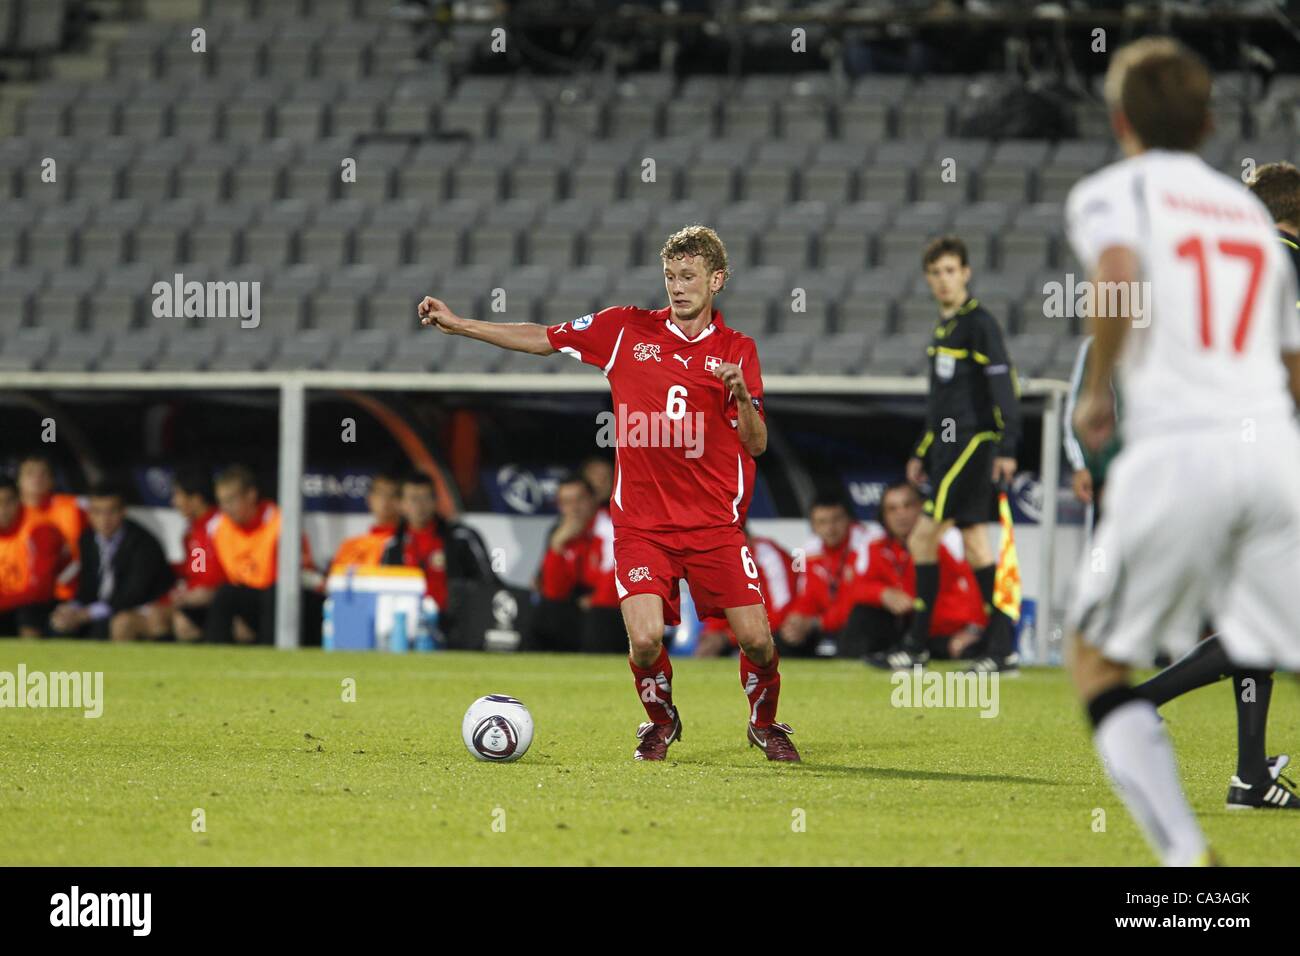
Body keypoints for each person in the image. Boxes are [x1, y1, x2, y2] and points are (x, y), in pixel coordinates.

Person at [418, 224, 799, 761]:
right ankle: (661, 723)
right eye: (670, 276)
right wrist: (461, 326)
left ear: (716, 280)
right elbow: (544, 337)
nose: (677, 287)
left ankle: (765, 724)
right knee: (644, 640)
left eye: (689, 276)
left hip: (715, 525)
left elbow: (755, 446)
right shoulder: (625, 330)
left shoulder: (738, 351)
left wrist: (739, 396)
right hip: (643, 525)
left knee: (758, 639)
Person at [1066, 38, 1300, 864]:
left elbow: (1119, 269)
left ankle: (1184, 855)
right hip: (1272, 453)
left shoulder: (1113, 191)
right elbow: (1291, 363)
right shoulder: (1246, 221)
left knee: (1095, 660)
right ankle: (1248, 773)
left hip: (1181, 449)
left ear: (1120, 118)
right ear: (1209, 123)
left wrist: (1098, 386)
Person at [903, 236, 1022, 674]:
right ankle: (1002, 647)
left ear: (966, 273)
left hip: (972, 445)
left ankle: (915, 645)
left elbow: (1004, 386)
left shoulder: (979, 324)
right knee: (975, 544)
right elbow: (941, 403)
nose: (943, 280)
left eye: (951, 270)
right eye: (935, 273)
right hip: (947, 448)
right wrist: (922, 448)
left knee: (922, 538)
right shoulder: (944, 327)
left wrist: (1008, 445)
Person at [862, 481, 987, 666]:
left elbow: (981, 583)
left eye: (908, 506)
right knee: (865, 615)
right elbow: (857, 587)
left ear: (923, 507)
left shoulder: (949, 538)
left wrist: (975, 629)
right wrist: (883, 594)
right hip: (917, 630)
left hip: (955, 631)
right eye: (892, 509)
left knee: (964, 651)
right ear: (883, 515)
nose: (901, 515)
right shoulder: (877, 545)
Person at [205, 465, 319, 645]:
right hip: (250, 596)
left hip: (287, 599)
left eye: (231, 500)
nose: (226, 508)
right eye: (222, 502)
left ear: (251, 495)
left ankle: (271, 654)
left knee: (274, 594)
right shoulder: (218, 527)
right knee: (224, 594)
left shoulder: (281, 522)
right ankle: (213, 654)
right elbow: (213, 571)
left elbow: (303, 571)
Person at [49, 482, 174, 641]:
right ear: (89, 514)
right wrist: (73, 608)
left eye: (111, 512)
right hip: (102, 608)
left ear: (123, 511)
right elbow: (88, 585)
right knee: (59, 623)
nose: (104, 519)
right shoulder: (87, 539)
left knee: (114, 625)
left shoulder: (143, 543)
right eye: (97, 512)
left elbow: (132, 594)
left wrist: (87, 614)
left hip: (139, 608)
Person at [531, 474, 625, 653]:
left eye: (579, 500)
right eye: (566, 502)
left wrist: (592, 600)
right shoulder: (563, 534)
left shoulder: (610, 527)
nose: (574, 508)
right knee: (545, 610)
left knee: (599, 615)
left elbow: (613, 583)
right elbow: (554, 592)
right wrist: (557, 545)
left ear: (593, 500)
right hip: (581, 609)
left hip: (612, 611)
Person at [778, 494, 873, 658]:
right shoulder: (808, 549)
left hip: (857, 625)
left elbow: (859, 601)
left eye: (836, 520)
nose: (830, 528)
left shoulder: (866, 544)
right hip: (823, 624)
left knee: (855, 629)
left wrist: (817, 622)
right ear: (813, 526)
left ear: (849, 520)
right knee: (783, 640)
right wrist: (797, 618)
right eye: (822, 522)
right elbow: (807, 595)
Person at [146, 466, 228, 642]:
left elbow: (222, 571)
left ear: (196, 499)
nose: (174, 502)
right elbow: (197, 570)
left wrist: (200, 590)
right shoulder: (192, 531)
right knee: (156, 614)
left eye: (178, 495)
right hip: (198, 596)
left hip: (220, 597)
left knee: (182, 621)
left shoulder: (221, 525)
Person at [697, 525, 795, 658]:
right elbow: (720, 610)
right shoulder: (722, 563)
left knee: (783, 635)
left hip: (779, 632)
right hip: (745, 634)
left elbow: (783, 611)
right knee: (710, 646)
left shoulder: (767, 555)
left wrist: (728, 637)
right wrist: (713, 634)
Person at [0, 475, 64, 637]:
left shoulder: (40, 528)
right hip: (6, 604)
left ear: (19, 501)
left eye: (8, 502)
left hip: (37, 604)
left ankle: (29, 661)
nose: (2, 510)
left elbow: (42, 589)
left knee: (27, 615)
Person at [17, 453, 85, 602]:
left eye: (43, 473)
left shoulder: (73, 507)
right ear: (19, 480)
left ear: (52, 480)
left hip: (68, 591)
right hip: (19, 591)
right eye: (30, 473)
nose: (37, 478)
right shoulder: (7, 512)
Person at [330, 473, 401, 573]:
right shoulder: (350, 546)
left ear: (403, 502)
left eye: (392, 495)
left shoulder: (408, 545)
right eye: (380, 493)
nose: (385, 500)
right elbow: (335, 583)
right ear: (369, 499)